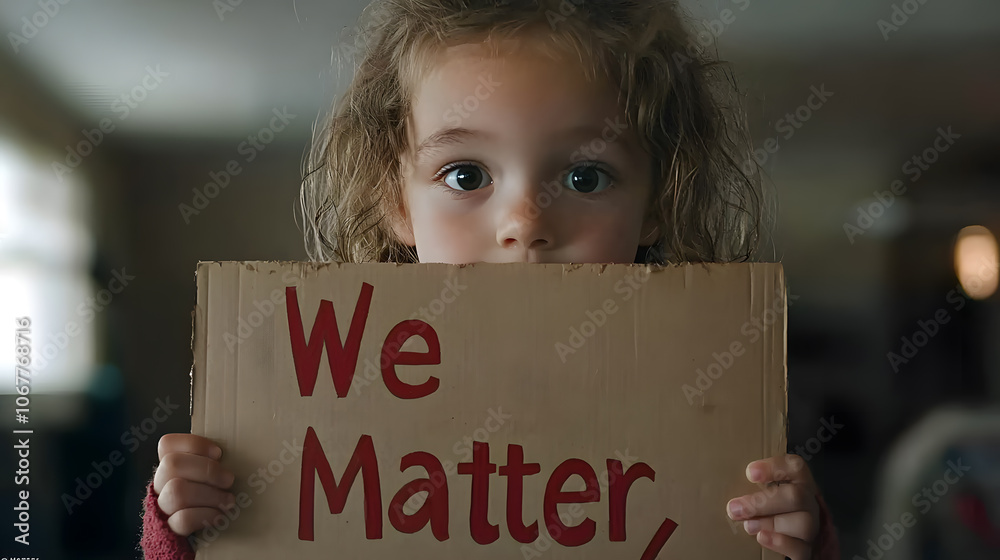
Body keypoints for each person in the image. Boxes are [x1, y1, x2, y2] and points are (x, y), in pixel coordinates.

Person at [140, 1, 839, 558]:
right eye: (466, 175)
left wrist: (790, 541)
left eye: (584, 176)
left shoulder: (703, 401)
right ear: (395, 201)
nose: (524, 222)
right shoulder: (323, 400)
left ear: (656, 203)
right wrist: (192, 525)